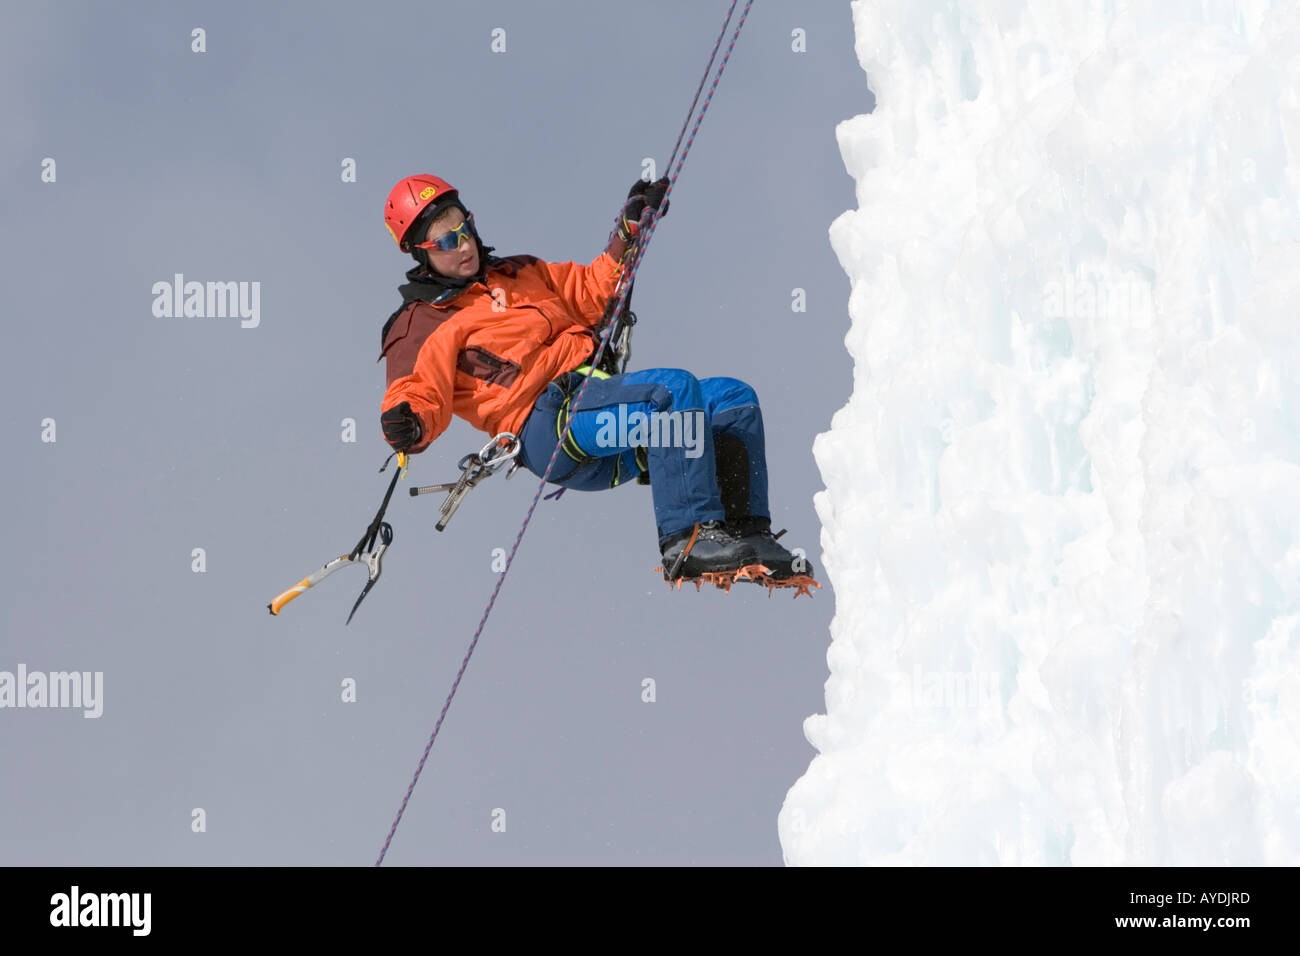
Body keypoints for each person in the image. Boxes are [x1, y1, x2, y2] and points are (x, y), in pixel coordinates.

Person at [377, 173, 811, 585]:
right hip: (549, 423)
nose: (464, 245)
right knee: (670, 392)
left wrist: (626, 234)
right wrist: (408, 422)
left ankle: (746, 534)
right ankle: (689, 540)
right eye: (447, 240)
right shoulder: (421, 321)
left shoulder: (519, 273)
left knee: (732, 399)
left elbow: (589, 293)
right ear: (420, 252)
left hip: (596, 397)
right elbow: (416, 389)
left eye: (464, 227)